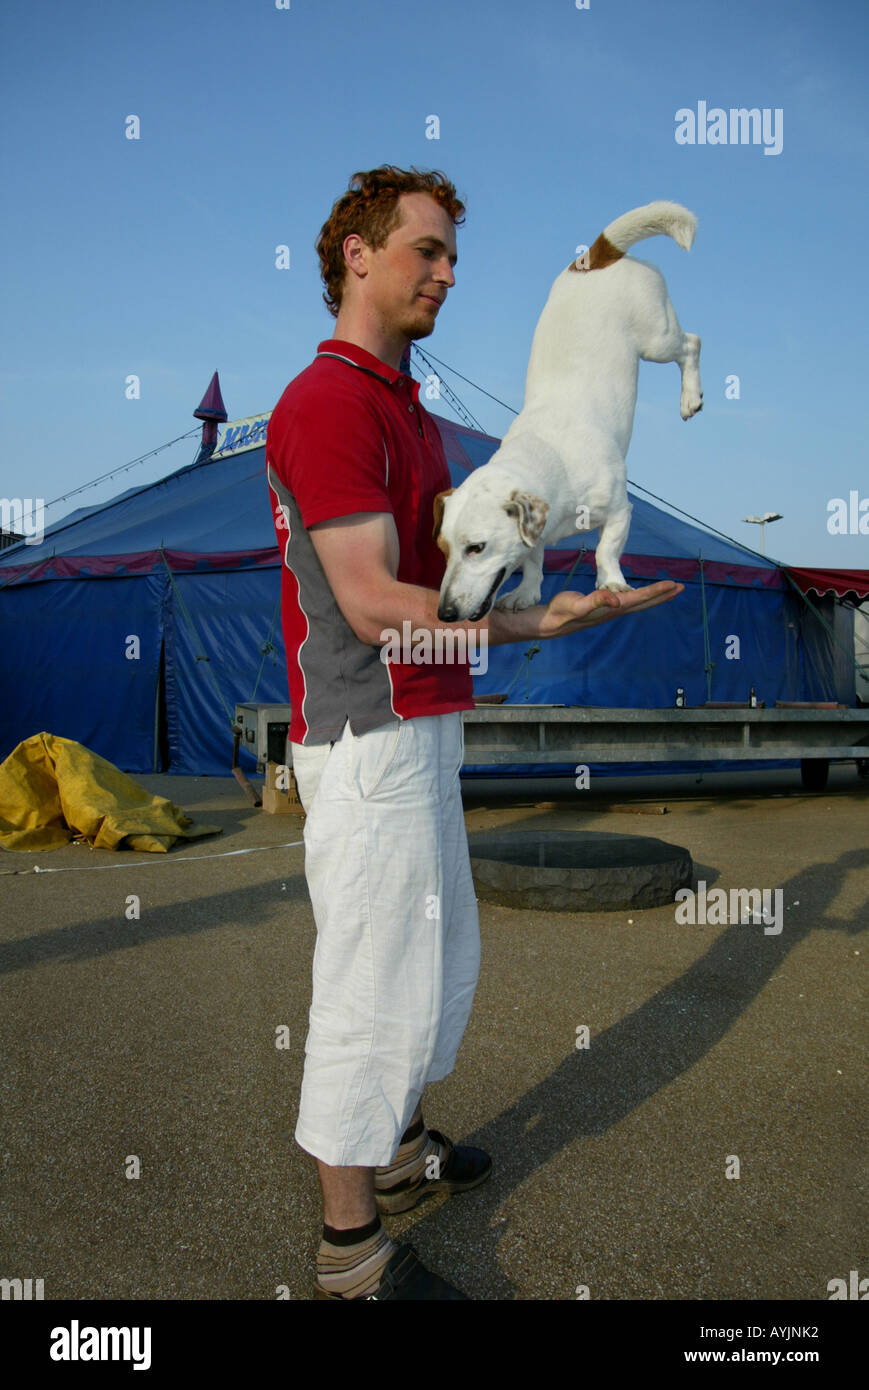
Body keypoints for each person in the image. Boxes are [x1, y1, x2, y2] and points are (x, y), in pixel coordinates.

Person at [265, 165, 684, 1300]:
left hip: (423, 725)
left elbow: (451, 605)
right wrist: (519, 619)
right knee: (369, 983)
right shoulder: (330, 403)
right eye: (425, 250)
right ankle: (351, 1248)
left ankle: (397, 1155)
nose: (448, 272)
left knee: (436, 962)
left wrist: (543, 617)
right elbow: (367, 601)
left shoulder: (406, 408)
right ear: (355, 253)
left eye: (454, 254)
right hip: (364, 738)